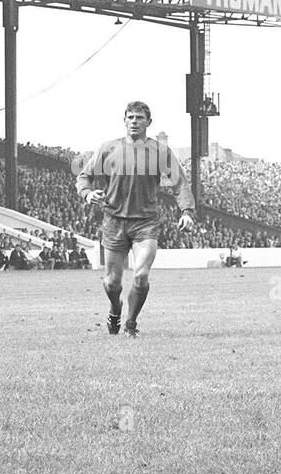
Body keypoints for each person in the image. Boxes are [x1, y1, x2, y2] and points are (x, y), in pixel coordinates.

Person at [77, 101, 194, 337]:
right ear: (124, 121)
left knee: (140, 276)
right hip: (114, 221)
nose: (134, 121)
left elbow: (180, 182)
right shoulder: (108, 148)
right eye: (130, 117)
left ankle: (130, 323)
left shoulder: (160, 151)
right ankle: (115, 307)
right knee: (112, 283)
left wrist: (187, 212)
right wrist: (87, 193)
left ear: (148, 123)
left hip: (146, 222)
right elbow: (84, 176)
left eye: (139, 118)